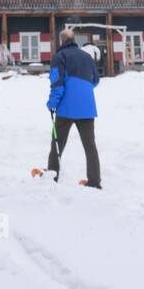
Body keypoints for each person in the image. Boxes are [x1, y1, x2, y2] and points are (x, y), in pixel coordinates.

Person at [46, 28, 101, 188]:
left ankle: (52, 176)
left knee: (57, 142)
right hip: (87, 107)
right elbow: (96, 81)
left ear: (61, 40)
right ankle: (94, 181)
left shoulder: (59, 56)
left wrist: (52, 104)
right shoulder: (87, 57)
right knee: (90, 144)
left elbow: (57, 84)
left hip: (66, 107)